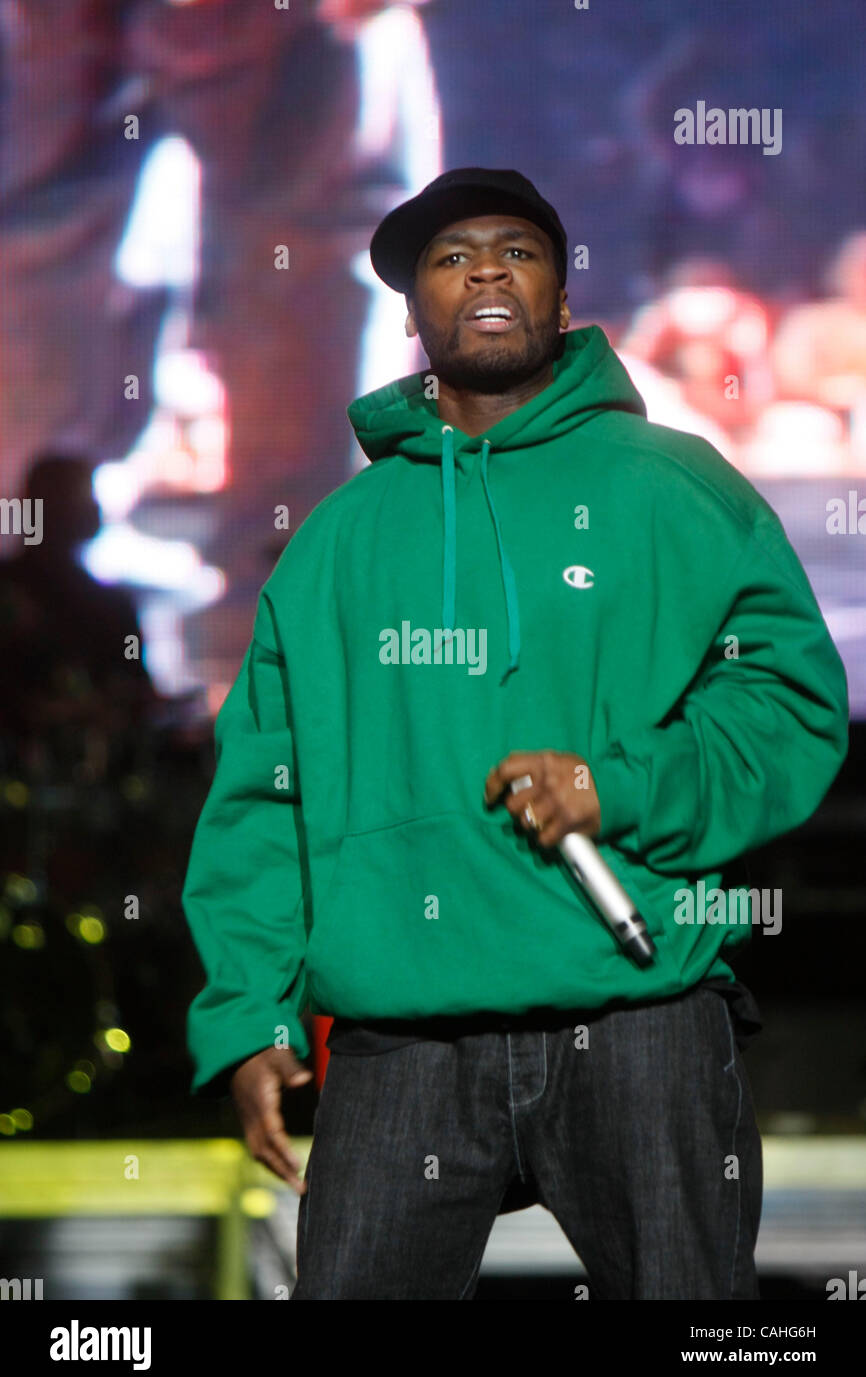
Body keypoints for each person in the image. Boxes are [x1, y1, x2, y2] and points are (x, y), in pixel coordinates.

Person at [181, 168, 849, 1300]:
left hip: (638, 1020)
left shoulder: (675, 488)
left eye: (515, 250)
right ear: (408, 313)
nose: (484, 269)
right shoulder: (337, 541)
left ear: (559, 295)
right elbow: (264, 791)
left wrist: (618, 786)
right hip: (404, 1042)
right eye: (449, 257)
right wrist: (251, 1011)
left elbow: (784, 704)